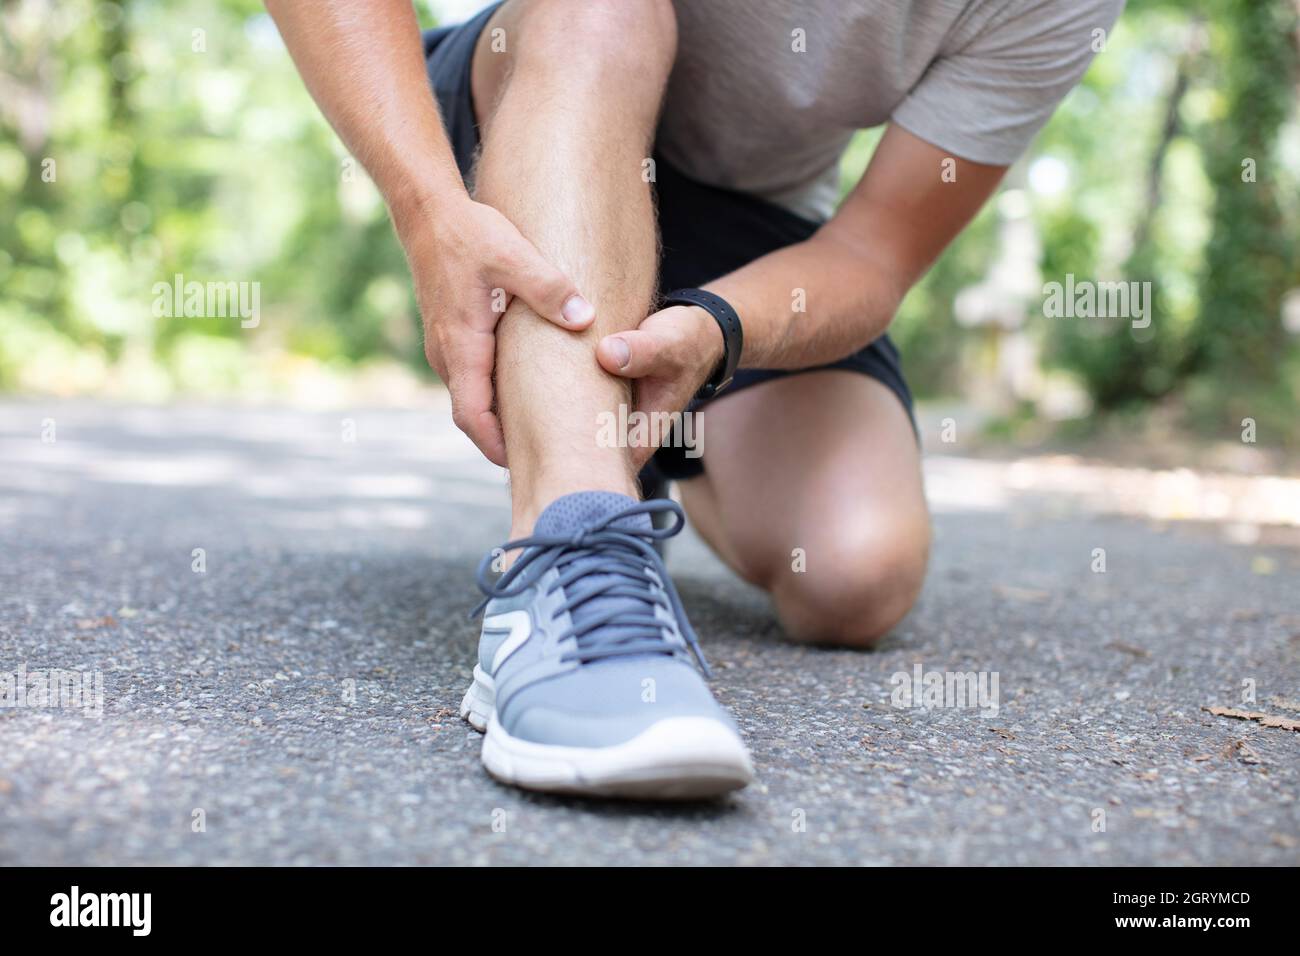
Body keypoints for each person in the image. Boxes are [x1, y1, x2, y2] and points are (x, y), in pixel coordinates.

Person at [267, 0, 1125, 798]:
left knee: (853, 574)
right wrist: (427, 208)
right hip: (536, 84)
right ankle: (571, 545)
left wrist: (719, 328)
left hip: (747, 217)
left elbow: (872, 257)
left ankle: (648, 449)